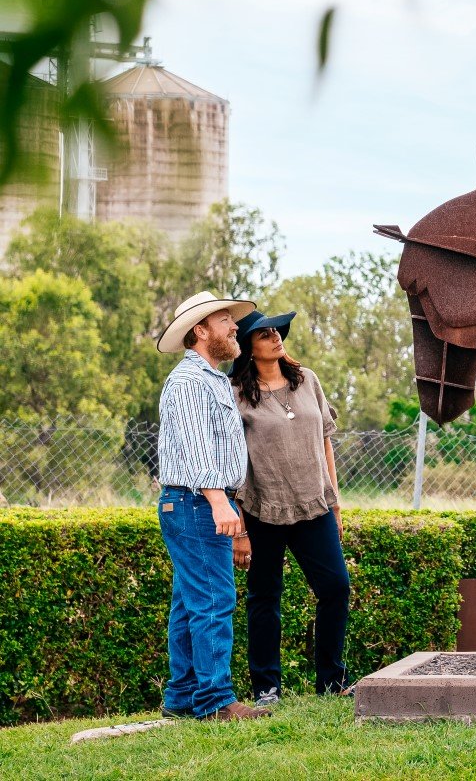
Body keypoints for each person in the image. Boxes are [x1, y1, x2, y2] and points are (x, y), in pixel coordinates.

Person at [155, 290, 269, 722]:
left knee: (189, 602)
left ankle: (182, 698)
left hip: (194, 502)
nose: (235, 326)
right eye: (225, 320)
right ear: (200, 331)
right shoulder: (187, 382)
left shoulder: (213, 379)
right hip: (197, 503)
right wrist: (221, 503)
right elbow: (198, 448)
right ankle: (215, 701)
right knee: (214, 601)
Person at [228, 310, 351, 706]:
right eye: (264, 334)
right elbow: (233, 463)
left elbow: (326, 442)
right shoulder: (236, 394)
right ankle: (267, 688)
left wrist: (334, 503)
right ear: (248, 347)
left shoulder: (307, 380)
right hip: (263, 509)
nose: (275, 337)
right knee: (264, 597)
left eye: (276, 331)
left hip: (313, 506)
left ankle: (331, 682)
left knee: (336, 587)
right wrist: (241, 528)